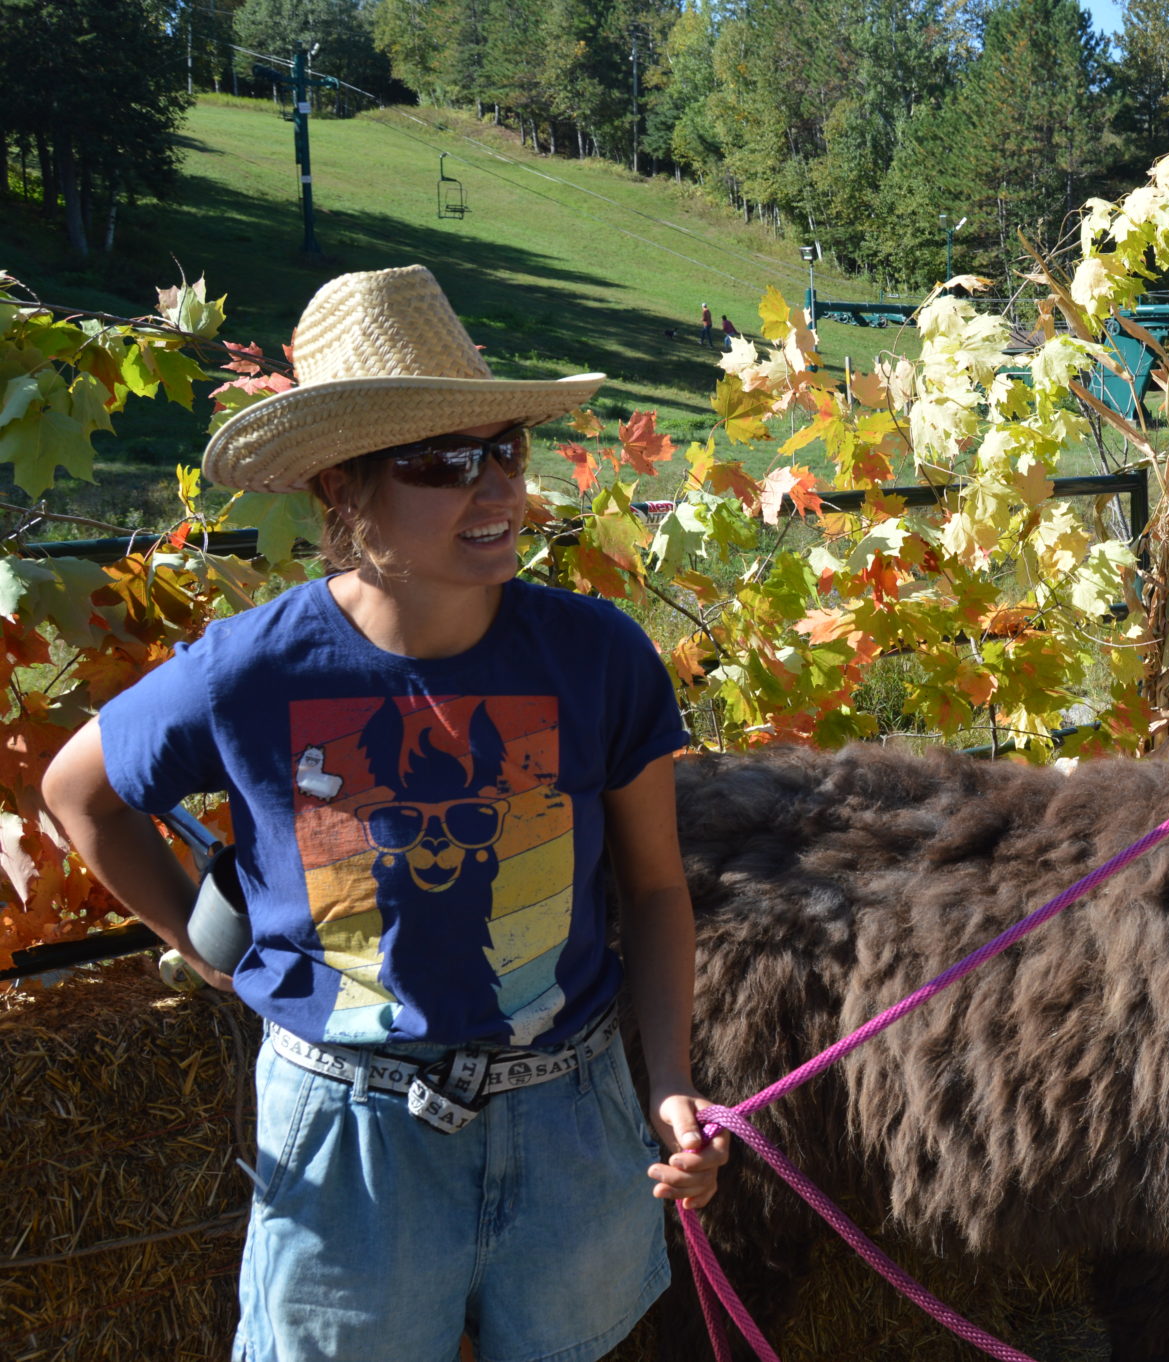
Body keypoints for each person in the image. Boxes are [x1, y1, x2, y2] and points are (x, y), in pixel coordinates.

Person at [40, 265, 727, 1361]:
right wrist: (204, 949)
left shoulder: (597, 656)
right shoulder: (251, 670)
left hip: (569, 1109)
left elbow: (652, 887)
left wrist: (671, 1081)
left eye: (504, 449)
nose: (498, 491)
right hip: (346, 1133)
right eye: (444, 465)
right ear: (340, 494)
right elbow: (79, 794)